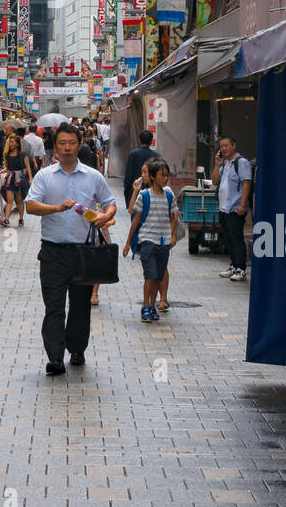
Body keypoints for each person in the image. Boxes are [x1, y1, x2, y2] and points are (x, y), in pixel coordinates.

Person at [25, 123, 116, 375]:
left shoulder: (93, 176)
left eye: (72, 143)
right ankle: (55, 358)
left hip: (83, 253)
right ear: (55, 146)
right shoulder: (45, 176)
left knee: (80, 305)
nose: (67, 148)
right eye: (62, 143)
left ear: (79, 145)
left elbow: (110, 204)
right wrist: (56, 208)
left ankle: (77, 349)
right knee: (53, 306)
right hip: (52, 252)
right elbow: (30, 206)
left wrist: (104, 216)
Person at [123, 160, 177, 323]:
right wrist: (127, 243)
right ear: (153, 177)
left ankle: (152, 305)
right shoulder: (144, 196)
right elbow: (135, 220)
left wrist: (172, 236)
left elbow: (173, 216)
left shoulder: (169, 195)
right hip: (147, 240)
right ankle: (146, 306)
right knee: (150, 275)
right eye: (162, 175)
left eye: (167, 175)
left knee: (158, 276)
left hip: (164, 242)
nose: (165, 178)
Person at [212, 134, 252, 281]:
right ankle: (233, 266)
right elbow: (215, 181)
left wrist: (242, 204)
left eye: (226, 146)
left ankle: (241, 269)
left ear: (233, 146)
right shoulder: (224, 164)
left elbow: (246, 183)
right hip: (223, 208)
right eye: (221, 146)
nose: (223, 149)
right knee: (228, 239)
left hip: (235, 208)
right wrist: (217, 164)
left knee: (236, 239)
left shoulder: (241, 163)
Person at [123, 130, 164, 210]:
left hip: (136, 190)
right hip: (153, 192)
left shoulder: (133, 154)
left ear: (139, 140)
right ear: (151, 141)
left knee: (135, 216)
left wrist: (127, 193)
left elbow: (128, 175)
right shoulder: (157, 156)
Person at [1, 132, 32, 227]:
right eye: (9, 142)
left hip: (19, 179)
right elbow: (7, 167)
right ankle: (6, 219)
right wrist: (0, 172)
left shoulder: (23, 155)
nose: (10, 144)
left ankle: (21, 218)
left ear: (17, 144)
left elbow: (28, 167)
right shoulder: (7, 154)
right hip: (10, 179)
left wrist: (30, 178)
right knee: (10, 200)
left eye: (12, 142)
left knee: (19, 200)